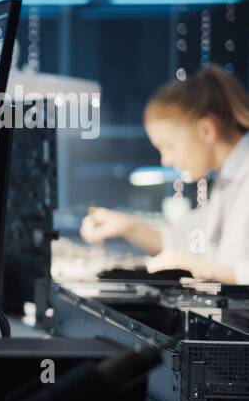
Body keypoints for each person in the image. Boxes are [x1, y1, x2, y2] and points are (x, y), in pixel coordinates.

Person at [80, 66, 249, 284]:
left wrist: (200, 267)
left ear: (206, 130)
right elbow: (185, 239)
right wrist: (127, 226)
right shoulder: (228, 180)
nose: (165, 160)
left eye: (168, 146)